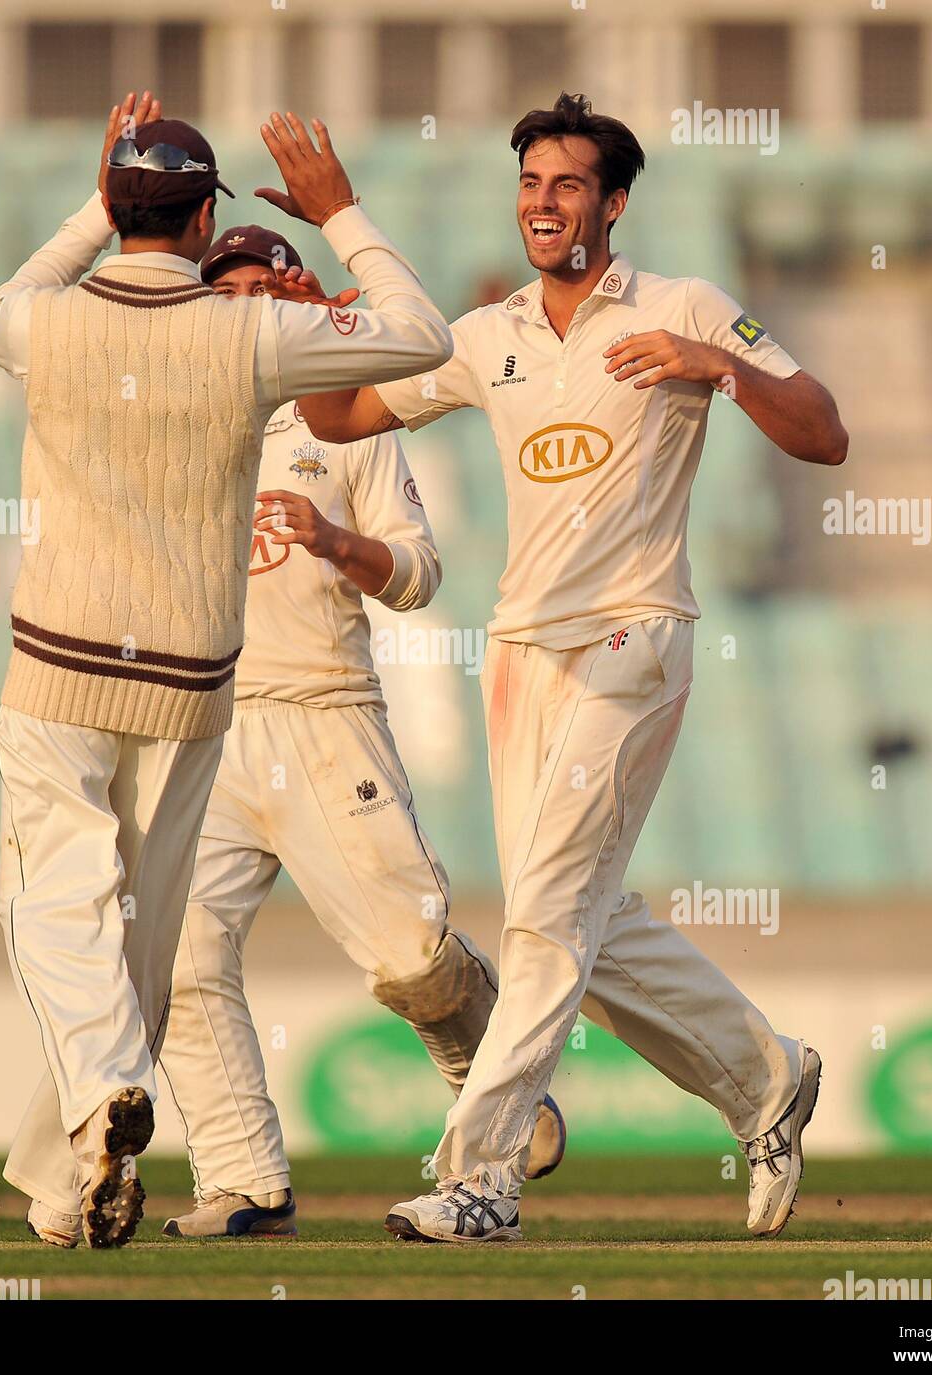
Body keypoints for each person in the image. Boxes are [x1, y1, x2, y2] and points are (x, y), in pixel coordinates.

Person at [298, 93, 849, 1244]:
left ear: (613, 202)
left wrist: (717, 365)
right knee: (580, 920)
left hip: (636, 633)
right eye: (529, 185)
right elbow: (341, 414)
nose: (541, 205)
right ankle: (766, 1078)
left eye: (565, 186)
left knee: (548, 912)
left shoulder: (684, 307)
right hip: (520, 651)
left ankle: (478, 1177)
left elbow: (823, 429)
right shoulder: (485, 334)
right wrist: (318, 322)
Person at [4, 226, 564, 1246]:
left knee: (408, 960)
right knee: (179, 963)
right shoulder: (179, 411)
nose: (252, 303)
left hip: (324, 713)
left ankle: (489, 1084)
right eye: (234, 289)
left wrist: (336, 541)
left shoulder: (338, 422)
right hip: (204, 720)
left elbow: (420, 571)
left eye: (270, 288)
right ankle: (244, 1181)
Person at [0, 92, 453, 1249]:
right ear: (200, 226)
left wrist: (100, 203)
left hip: (61, 668)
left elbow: (0, 308)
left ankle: (100, 1099)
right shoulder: (255, 335)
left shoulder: (43, 324)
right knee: (151, 941)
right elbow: (423, 333)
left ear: (122, 207)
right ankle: (69, 1182)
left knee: (52, 902)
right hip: (196, 686)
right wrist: (341, 213)